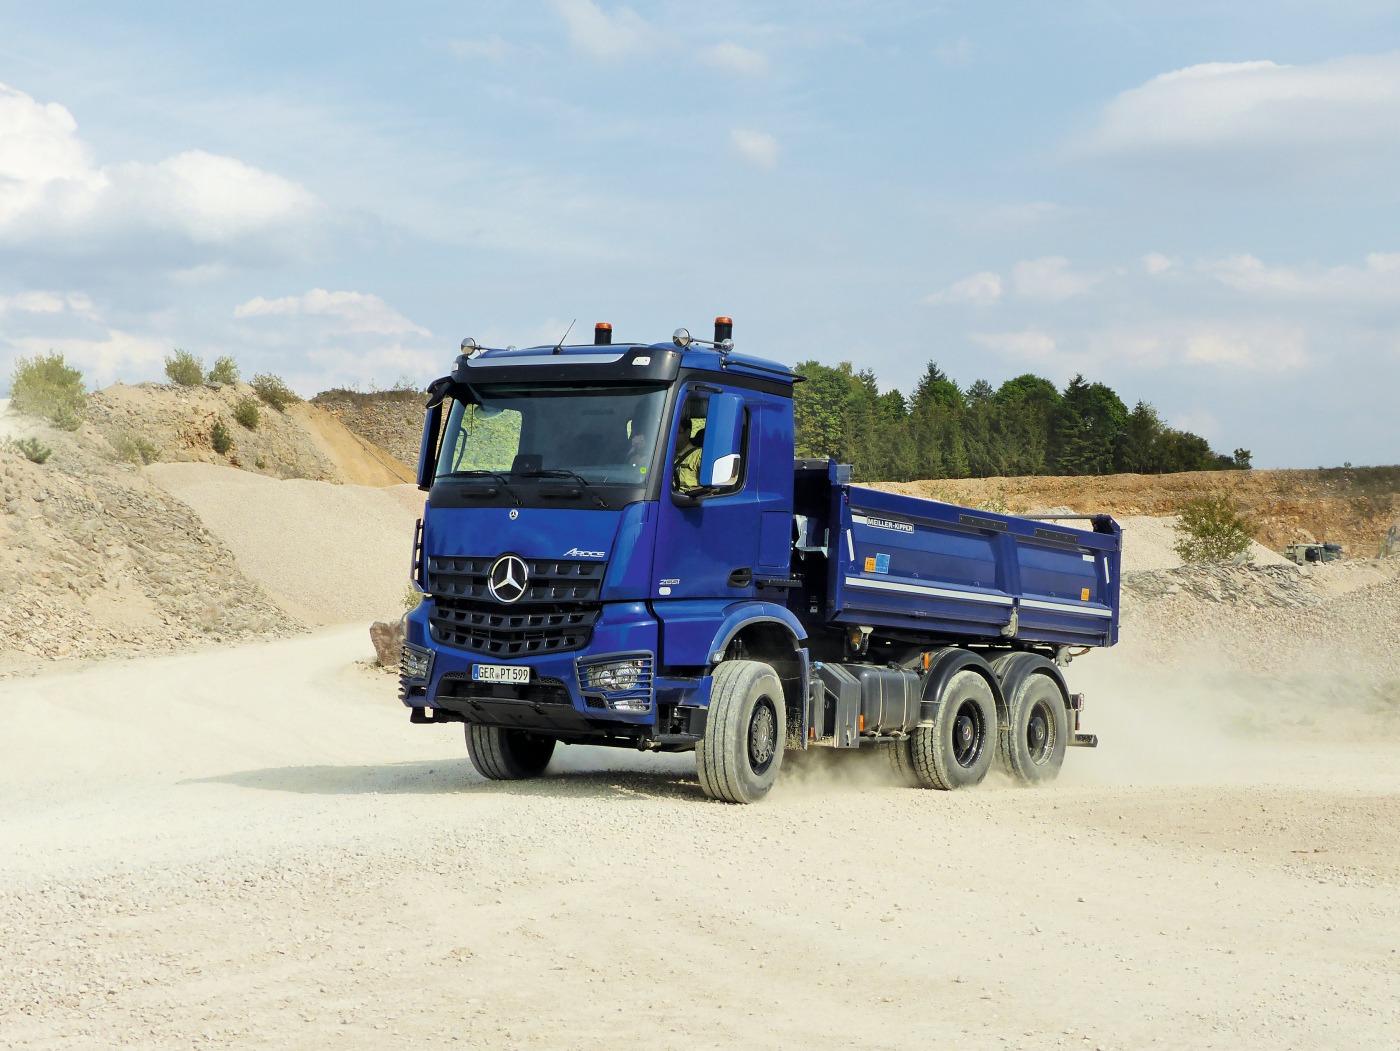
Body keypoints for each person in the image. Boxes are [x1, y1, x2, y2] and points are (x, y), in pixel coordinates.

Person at [673, 419, 705, 494]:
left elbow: (711, 488)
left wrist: (692, 491)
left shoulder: (698, 455)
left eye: (676, 433)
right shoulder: (666, 455)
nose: (672, 436)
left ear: (687, 433)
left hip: (688, 500)